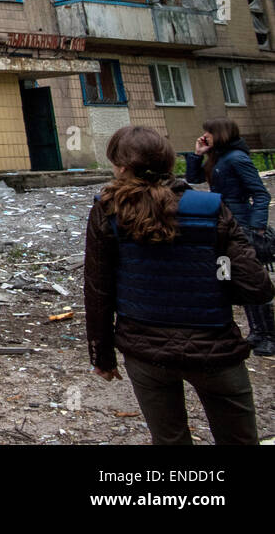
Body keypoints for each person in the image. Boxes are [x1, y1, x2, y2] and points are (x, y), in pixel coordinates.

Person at [85, 125, 273, 445]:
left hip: (146, 354)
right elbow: (257, 287)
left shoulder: (108, 210)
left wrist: (102, 357)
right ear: (170, 163)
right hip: (215, 350)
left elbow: (98, 291)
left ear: (122, 166)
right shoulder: (211, 208)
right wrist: (213, 282)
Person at [185, 117, 275, 356]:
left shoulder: (237, 158)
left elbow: (261, 194)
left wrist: (256, 229)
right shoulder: (219, 158)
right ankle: (255, 332)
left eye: (208, 132)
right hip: (222, 223)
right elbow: (193, 180)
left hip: (240, 225)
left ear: (221, 133)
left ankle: (268, 334)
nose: (205, 136)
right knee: (226, 275)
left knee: (250, 277)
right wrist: (198, 154)